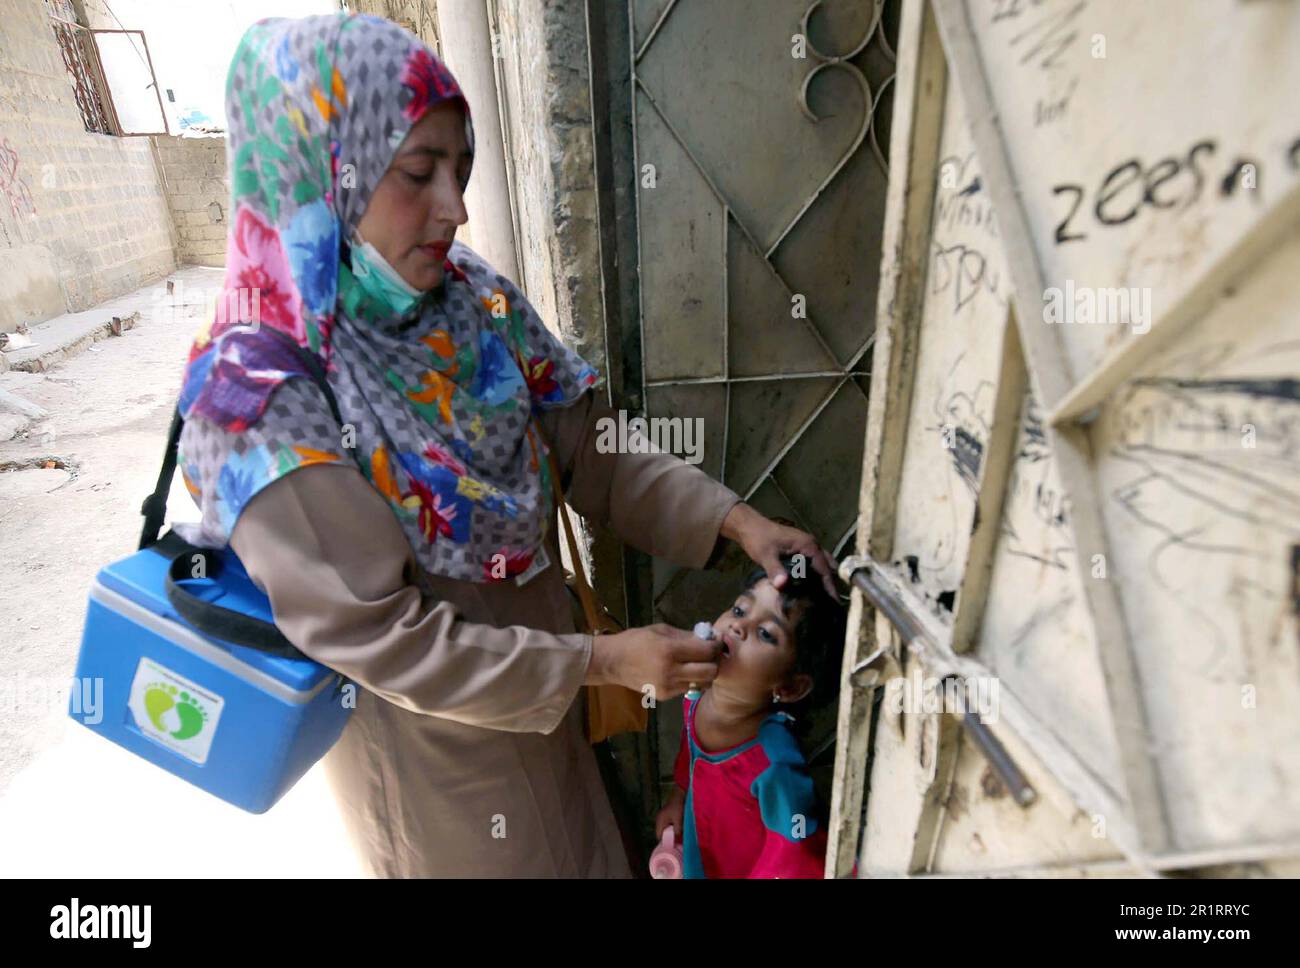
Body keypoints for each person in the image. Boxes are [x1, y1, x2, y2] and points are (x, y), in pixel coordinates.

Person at [173, 12, 839, 877]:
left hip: (546, 698)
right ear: (321, 168)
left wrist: (739, 524)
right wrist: (598, 661)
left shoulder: (469, 298)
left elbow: (593, 452)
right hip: (430, 753)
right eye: (418, 173)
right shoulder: (259, 392)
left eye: (462, 170)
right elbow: (390, 641)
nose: (452, 207)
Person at [654, 556, 846, 878]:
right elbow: (689, 756)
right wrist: (679, 796)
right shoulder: (697, 697)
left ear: (789, 687)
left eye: (766, 634)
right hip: (703, 848)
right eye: (740, 610)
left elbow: (795, 848)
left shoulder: (773, 763)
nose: (738, 626)